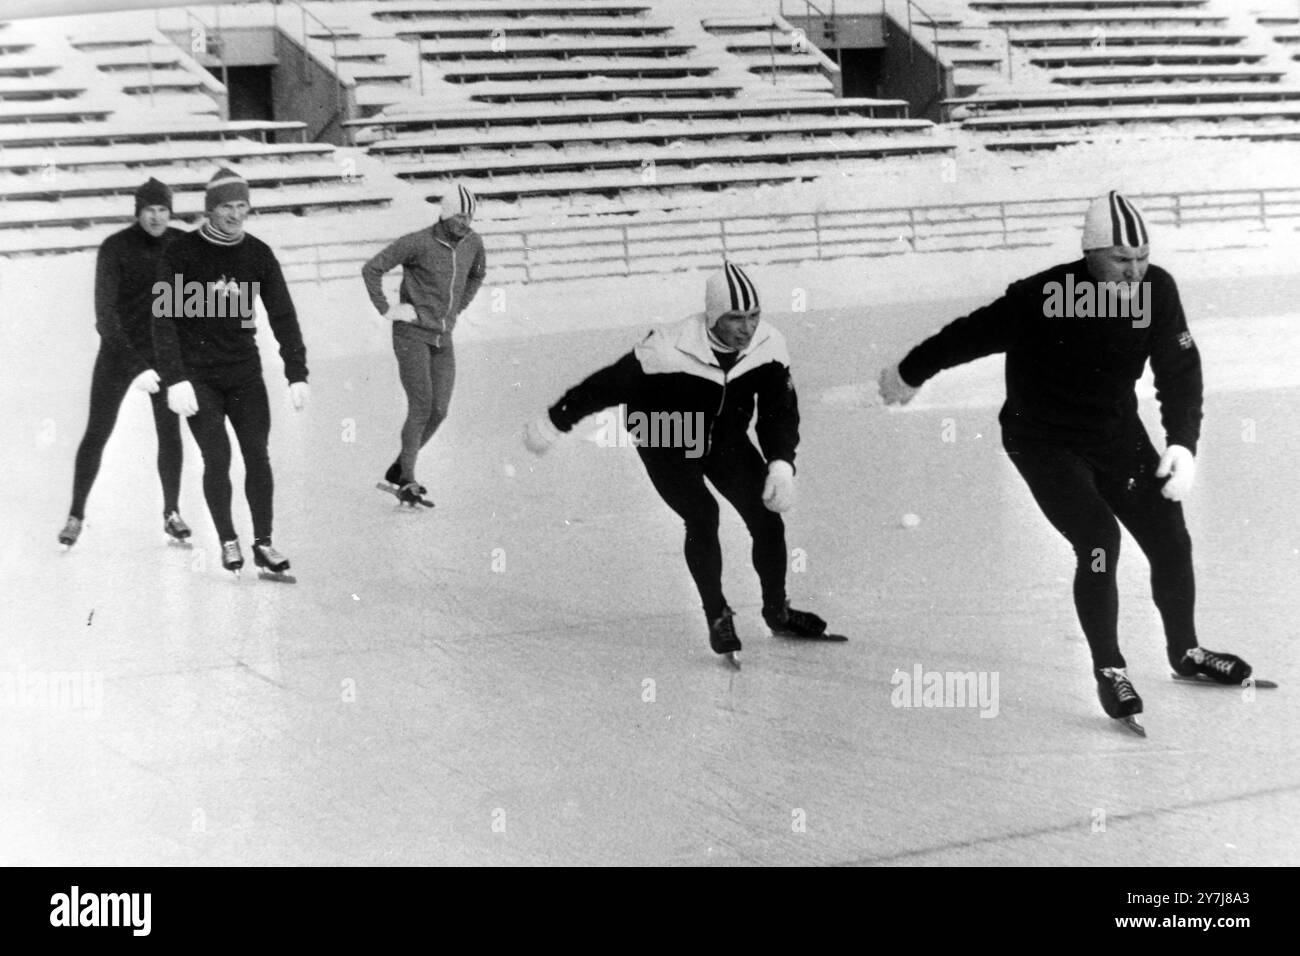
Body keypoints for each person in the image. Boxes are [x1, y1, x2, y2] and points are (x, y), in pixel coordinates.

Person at [877, 191, 1261, 727]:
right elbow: (970, 334)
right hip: (1043, 441)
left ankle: (1186, 652)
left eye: (1142, 256)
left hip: (1114, 436)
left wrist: (1182, 443)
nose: (1135, 271)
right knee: (1099, 541)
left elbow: (1179, 369)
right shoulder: (1046, 295)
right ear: (1090, 254)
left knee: (1170, 536)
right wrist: (911, 370)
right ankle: (1109, 669)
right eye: (1121, 259)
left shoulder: (1157, 290)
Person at [522, 262, 835, 662]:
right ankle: (717, 614)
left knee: (766, 516)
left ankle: (777, 610)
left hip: (723, 436)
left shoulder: (768, 346)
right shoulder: (667, 348)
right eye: (735, 318)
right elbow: (603, 386)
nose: (747, 328)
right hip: (665, 432)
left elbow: (779, 412)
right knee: (703, 515)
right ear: (712, 316)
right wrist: (555, 419)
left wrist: (780, 463)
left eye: (754, 316)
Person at [151, 167, 309, 576]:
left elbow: (283, 315)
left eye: (242, 206)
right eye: (226, 207)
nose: (236, 215)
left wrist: (297, 371)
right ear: (209, 210)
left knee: (258, 455)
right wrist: (175, 378)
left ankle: (264, 543)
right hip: (198, 377)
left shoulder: (257, 253)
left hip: (244, 374)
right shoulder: (181, 253)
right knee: (217, 457)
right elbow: (162, 320)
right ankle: (227, 538)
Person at [58, 178, 189, 548]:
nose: (157, 217)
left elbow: (192, 302)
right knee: (97, 431)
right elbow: (105, 316)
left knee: (169, 432)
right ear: (138, 211)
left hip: (163, 354)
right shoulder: (115, 247)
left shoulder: (180, 243)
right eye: (149, 209)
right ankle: (75, 514)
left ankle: (172, 512)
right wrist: (135, 365)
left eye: (163, 209)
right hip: (119, 353)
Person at [361, 181, 486, 505]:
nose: (465, 223)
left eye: (469, 217)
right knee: (422, 406)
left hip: (443, 337)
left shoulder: (473, 243)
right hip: (411, 335)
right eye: (459, 216)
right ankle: (408, 479)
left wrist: (459, 306)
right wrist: (388, 308)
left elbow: (476, 275)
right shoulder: (418, 243)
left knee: (440, 410)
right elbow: (372, 268)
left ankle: (400, 468)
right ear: (445, 215)